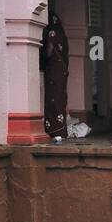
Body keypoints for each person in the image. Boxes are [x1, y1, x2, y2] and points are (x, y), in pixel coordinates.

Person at [41, 11, 69, 145]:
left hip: (53, 71)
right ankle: (61, 130)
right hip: (61, 72)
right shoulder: (62, 36)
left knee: (53, 100)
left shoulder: (53, 35)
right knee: (60, 99)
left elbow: (48, 52)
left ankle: (54, 130)